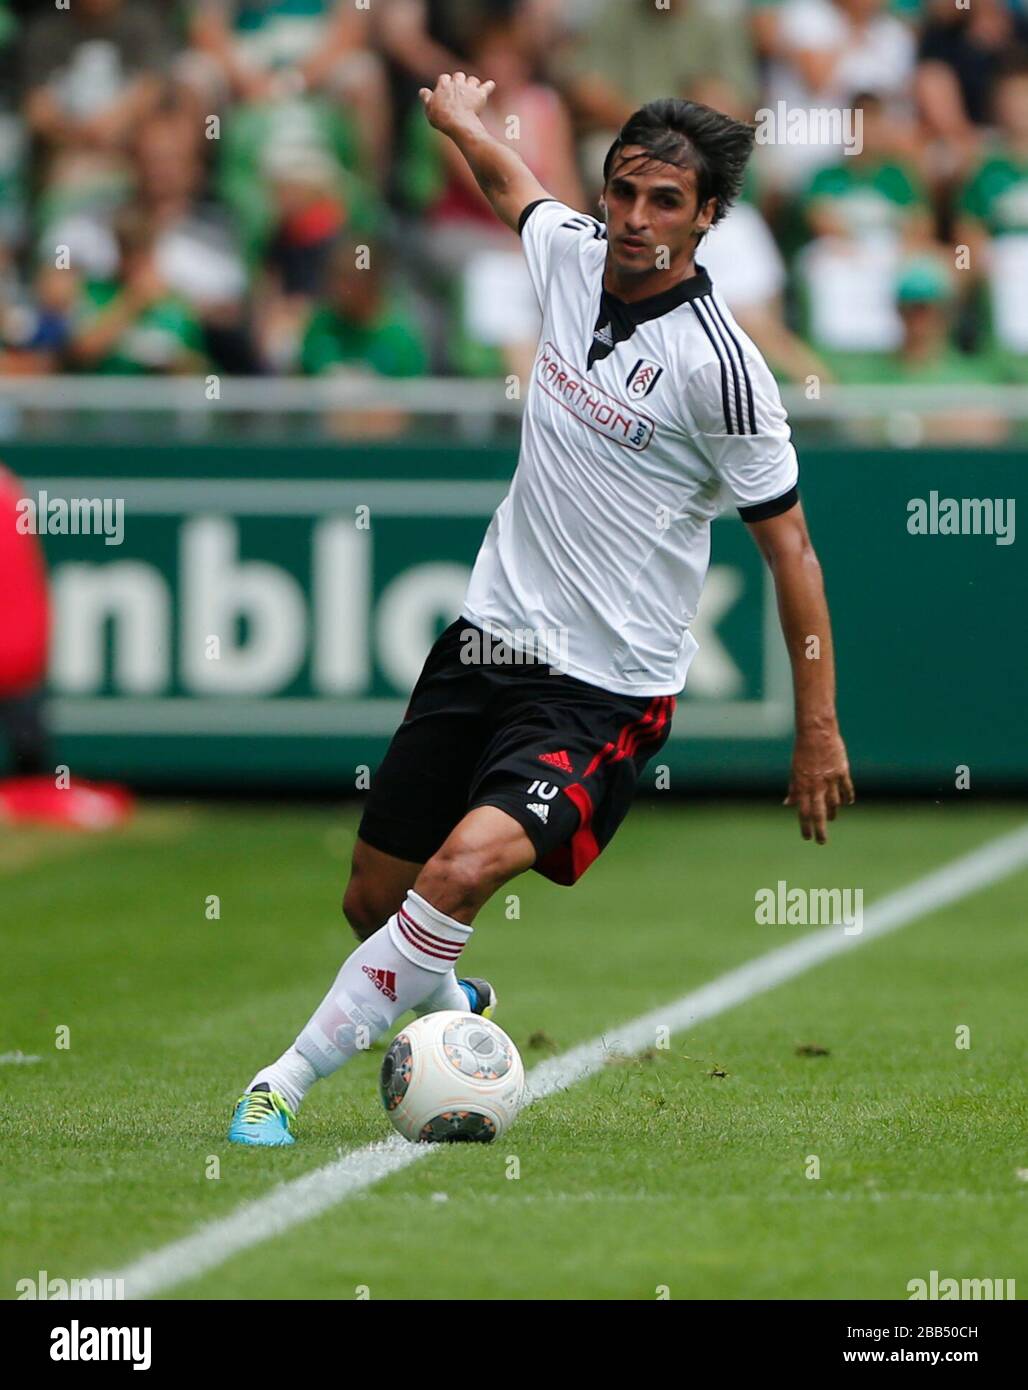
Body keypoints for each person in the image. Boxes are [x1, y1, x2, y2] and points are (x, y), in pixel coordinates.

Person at [228, 78, 854, 1147]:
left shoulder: (724, 373)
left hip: (601, 689)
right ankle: (448, 1004)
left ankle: (277, 1085)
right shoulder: (568, 250)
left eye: (665, 201)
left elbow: (789, 549)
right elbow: (511, 183)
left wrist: (815, 725)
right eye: (622, 193)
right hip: (485, 636)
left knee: (460, 871)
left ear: (708, 217)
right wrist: (463, 120)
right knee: (373, 898)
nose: (635, 219)